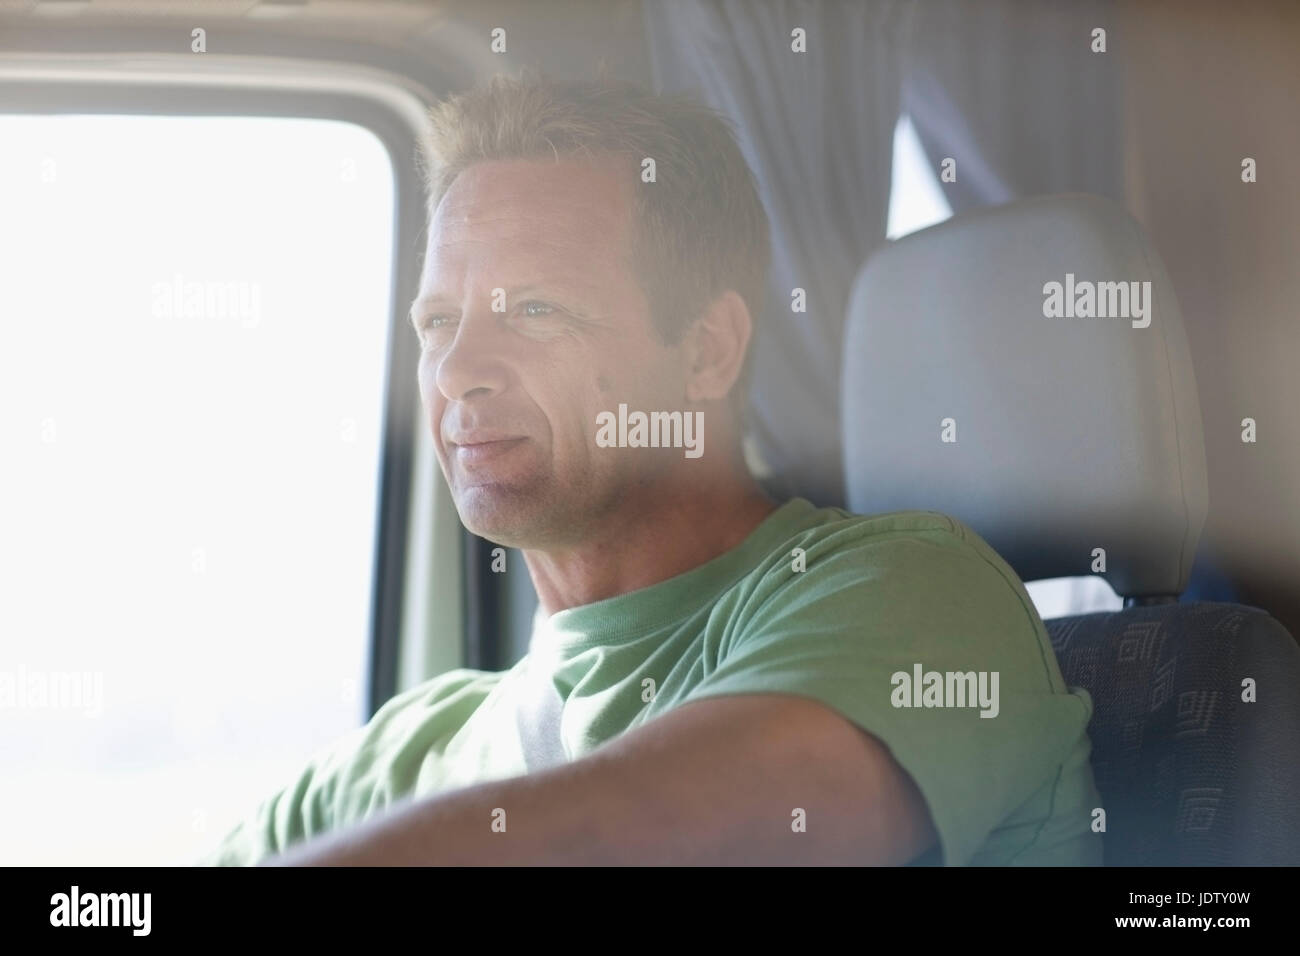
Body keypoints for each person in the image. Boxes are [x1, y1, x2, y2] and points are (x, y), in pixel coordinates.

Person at [202, 72, 1102, 866]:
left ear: (707, 350)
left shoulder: (917, 597)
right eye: (438, 322)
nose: (457, 368)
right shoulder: (402, 757)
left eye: (538, 309)